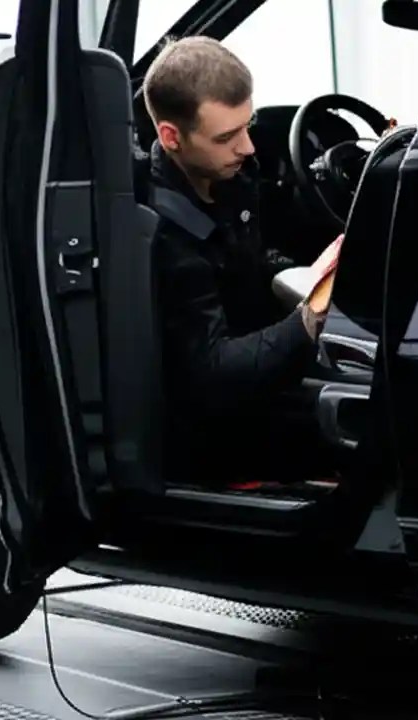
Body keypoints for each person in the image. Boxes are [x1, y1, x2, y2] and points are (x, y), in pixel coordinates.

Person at [142, 36, 341, 481]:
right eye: (227, 136)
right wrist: (309, 319)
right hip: (212, 428)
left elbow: (246, 264)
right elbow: (209, 373)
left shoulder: (232, 174)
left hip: (262, 367)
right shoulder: (164, 235)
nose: (248, 147)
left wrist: (307, 275)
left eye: (247, 125)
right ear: (171, 137)